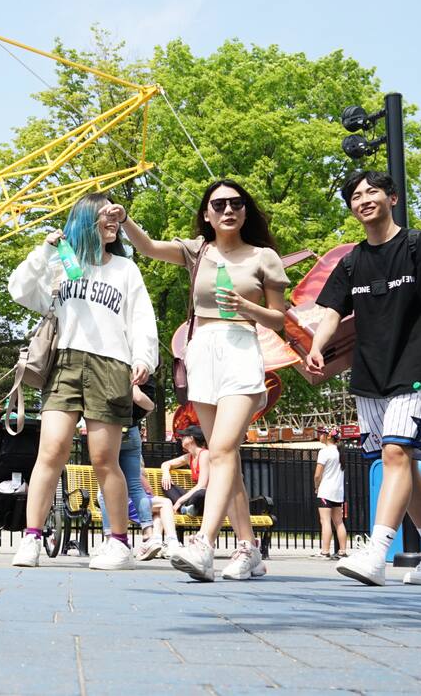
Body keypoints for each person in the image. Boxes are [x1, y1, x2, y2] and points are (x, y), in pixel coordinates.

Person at [113, 180, 289, 582]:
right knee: (227, 459)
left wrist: (247, 306)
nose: (228, 210)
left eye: (236, 203)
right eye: (219, 204)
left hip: (242, 345)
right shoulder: (198, 250)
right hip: (202, 351)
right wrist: (125, 218)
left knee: (222, 448)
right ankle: (249, 550)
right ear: (207, 214)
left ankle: (204, 544)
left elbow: (281, 319)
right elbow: (148, 248)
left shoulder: (264, 257)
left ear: (245, 211)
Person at [306, 170, 421, 587]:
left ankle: (375, 553)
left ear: (392, 198)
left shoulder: (419, 246)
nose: (363, 199)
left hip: (415, 372)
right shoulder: (351, 260)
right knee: (400, 463)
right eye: (355, 195)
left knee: (395, 455)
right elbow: (332, 311)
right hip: (369, 376)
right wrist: (317, 346)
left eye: (372, 191)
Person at [8, 192, 159, 571]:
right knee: (52, 449)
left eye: (114, 216)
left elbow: (141, 319)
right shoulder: (63, 263)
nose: (111, 222)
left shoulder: (125, 269)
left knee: (104, 458)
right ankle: (31, 538)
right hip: (66, 361)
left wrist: (143, 358)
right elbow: (21, 290)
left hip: (111, 364)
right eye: (103, 215)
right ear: (84, 220)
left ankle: (119, 542)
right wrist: (45, 250)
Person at [96, 378, 162, 559]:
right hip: (132, 431)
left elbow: (137, 396)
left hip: (113, 430)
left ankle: (110, 538)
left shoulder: (123, 368)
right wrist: (144, 413)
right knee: (135, 486)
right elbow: (148, 404)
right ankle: (149, 533)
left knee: (104, 490)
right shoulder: (148, 376)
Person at [312, 427, 348, 560]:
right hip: (338, 492)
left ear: (328, 437)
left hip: (326, 491)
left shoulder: (324, 452)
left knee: (325, 521)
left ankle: (325, 551)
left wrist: (317, 486)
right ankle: (342, 551)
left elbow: (317, 475)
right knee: (339, 522)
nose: (319, 435)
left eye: (321, 433)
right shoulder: (340, 452)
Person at [161, 426, 209, 517]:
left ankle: (186, 508)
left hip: (208, 499)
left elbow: (202, 485)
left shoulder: (205, 454)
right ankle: (188, 509)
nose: (181, 438)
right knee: (166, 485)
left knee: (200, 493)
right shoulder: (189, 456)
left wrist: (179, 501)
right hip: (193, 499)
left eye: (184, 436)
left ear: (191, 439)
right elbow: (166, 464)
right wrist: (166, 474)